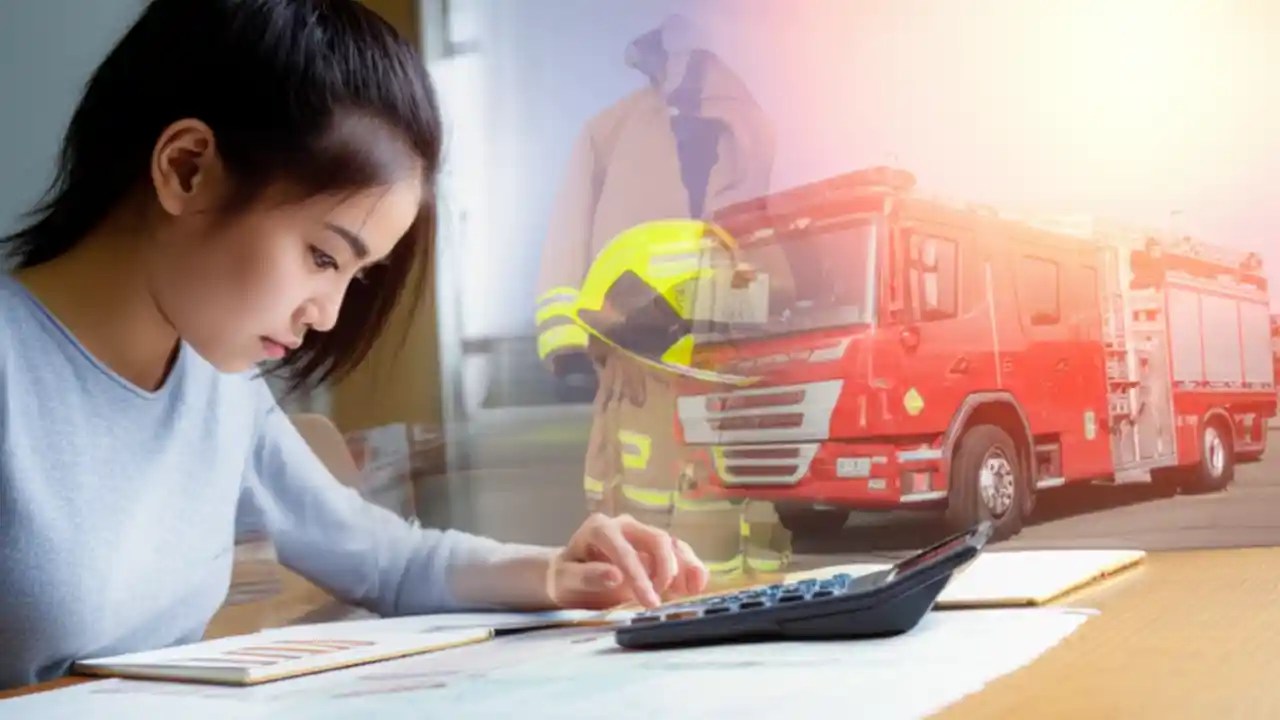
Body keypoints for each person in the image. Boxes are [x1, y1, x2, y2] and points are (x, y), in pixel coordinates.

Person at [0, 0, 708, 691]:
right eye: (322, 256)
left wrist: (559, 571)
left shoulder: (219, 391)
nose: (329, 315)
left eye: (357, 274)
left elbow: (387, 561)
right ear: (187, 169)